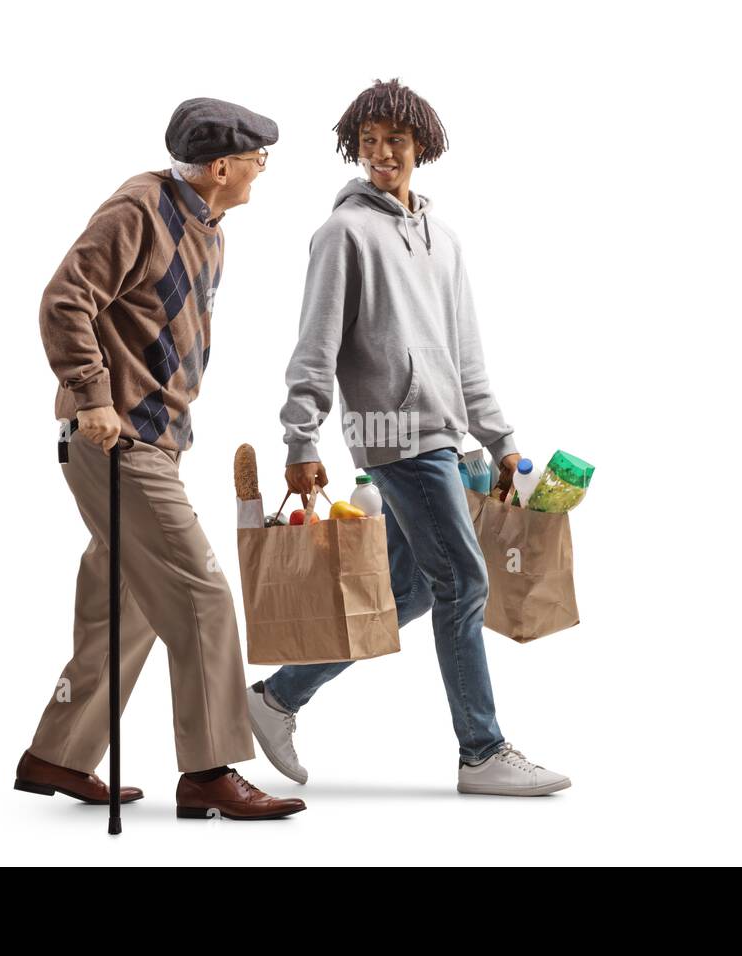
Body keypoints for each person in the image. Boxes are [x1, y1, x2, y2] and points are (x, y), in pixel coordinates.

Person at [249, 79, 570, 796]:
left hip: (448, 439)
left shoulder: (443, 240)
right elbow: (316, 345)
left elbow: (466, 357)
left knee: (410, 586)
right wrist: (301, 440)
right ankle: (481, 752)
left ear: (421, 145)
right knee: (465, 580)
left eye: (395, 140)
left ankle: (275, 700)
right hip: (393, 436)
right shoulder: (343, 234)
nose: (381, 154)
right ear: (354, 148)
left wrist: (502, 440)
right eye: (368, 142)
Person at [19, 97, 305, 820]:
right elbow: (63, 300)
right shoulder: (139, 210)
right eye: (254, 161)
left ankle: (56, 755)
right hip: (115, 442)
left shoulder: (207, 225)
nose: (259, 172)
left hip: (158, 441)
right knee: (202, 592)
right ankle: (209, 772)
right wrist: (91, 396)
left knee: (127, 608)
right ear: (219, 167)